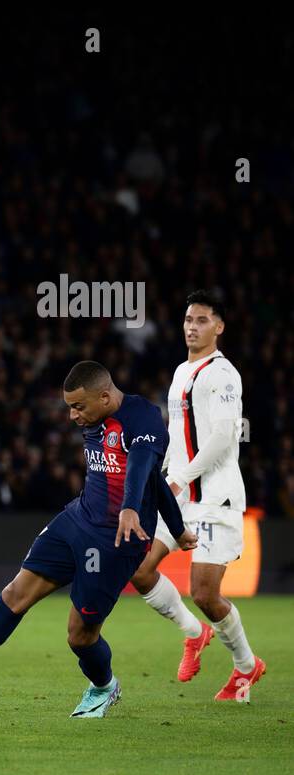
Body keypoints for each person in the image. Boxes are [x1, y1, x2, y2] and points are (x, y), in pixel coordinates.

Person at [0, 361, 195, 717]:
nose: (72, 415)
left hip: (117, 541)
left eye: (78, 406)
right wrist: (177, 528)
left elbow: (145, 468)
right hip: (77, 520)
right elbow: (155, 481)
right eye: (69, 406)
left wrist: (134, 509)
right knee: (14, 594)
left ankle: (104, 687)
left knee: (79, 636)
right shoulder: (93, 418)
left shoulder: (143, 420)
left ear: (105, 396)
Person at [129, 291, 264, 700]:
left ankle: (246, 666)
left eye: (202, 320)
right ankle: (194, 633)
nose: (192, 327)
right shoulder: (180, 372)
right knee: (139, 568)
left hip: (214, 498)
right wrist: (161, 473)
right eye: (188, 319)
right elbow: (177, 434)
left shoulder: (223, 374)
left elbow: (225, 436)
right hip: (180, 494)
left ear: (219, 327)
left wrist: (180, 477)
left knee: (204, 593)